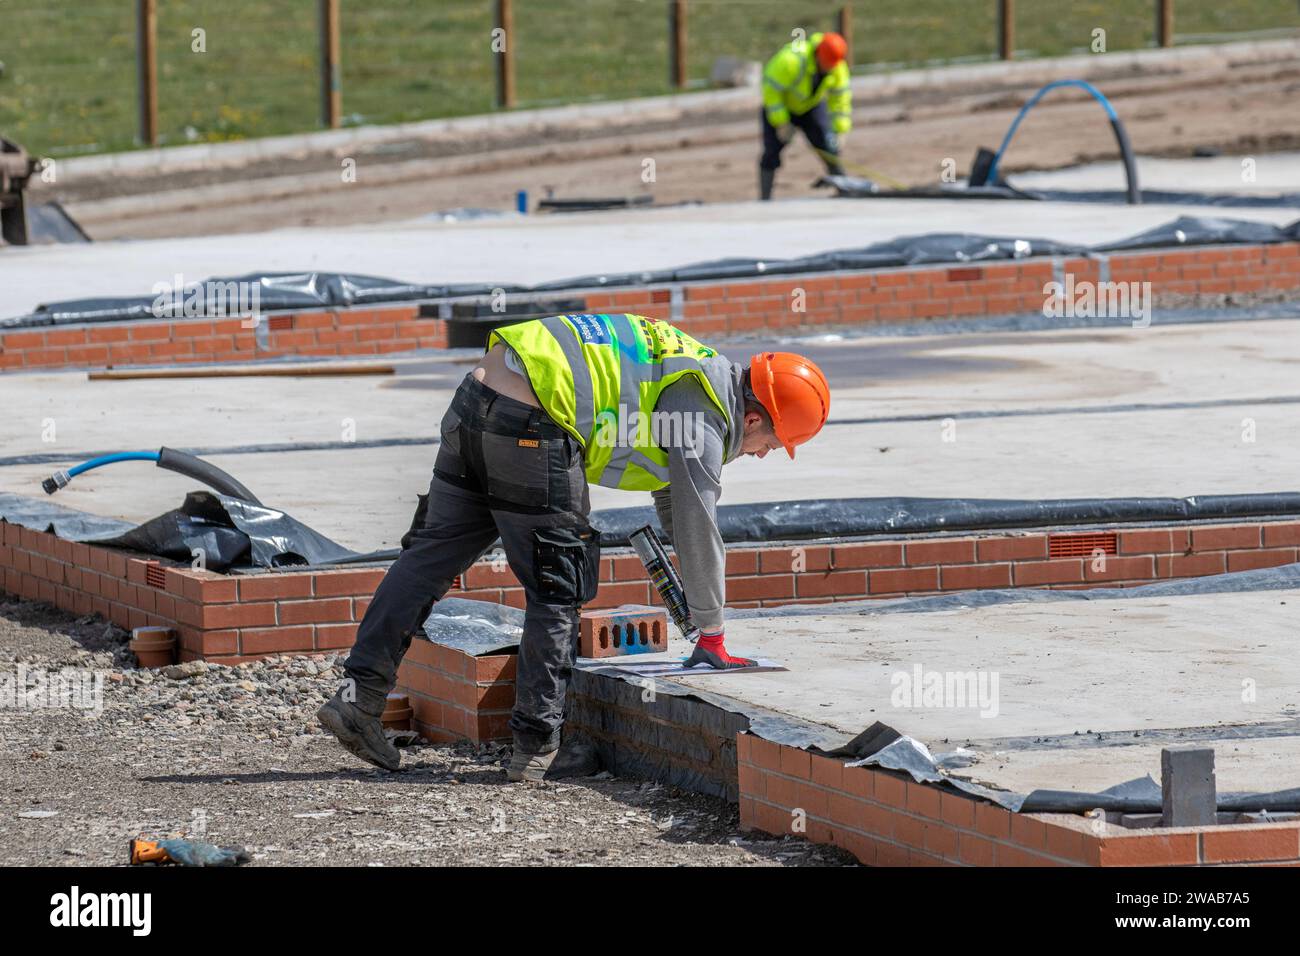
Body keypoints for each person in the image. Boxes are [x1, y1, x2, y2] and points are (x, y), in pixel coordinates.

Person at [319, 313, 830, 781]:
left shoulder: (692, 371)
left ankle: (358, 700)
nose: (762, 455)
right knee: (557, 583)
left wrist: (697, 605)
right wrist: (713, 631)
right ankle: (535, 747)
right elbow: (697, 519)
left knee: (428, 557)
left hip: (475, 403)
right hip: (531, 423)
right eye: (772, 445)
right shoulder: (703, 410)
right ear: (756, 418)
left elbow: (675, 499)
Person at [760, 30, 852, 199]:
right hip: (783, 107)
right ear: (818, 55)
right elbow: (771, 90)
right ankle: (765, 198)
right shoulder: (791, 60)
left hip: (811, 106)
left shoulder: (837, 67)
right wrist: (781, 122)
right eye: (827, 63)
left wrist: (840, 130)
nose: (830, 68)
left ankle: (845, 189)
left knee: (828, 147)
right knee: (771, 152)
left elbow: (841, 99)